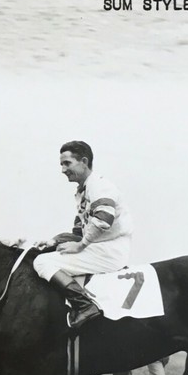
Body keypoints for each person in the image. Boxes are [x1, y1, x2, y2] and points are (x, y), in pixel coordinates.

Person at [34, 141, 133, 329]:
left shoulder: (100, 186)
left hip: (110, 251)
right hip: (99, 247)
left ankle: (84, 305)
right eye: (61, 164)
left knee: (42, 262)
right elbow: (78, 234)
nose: (63, 169)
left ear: (84, 161)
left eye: (67, 163)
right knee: (47, 254)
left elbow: (104, 219)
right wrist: (53, 241)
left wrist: (80, 246)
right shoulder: (82, 192)